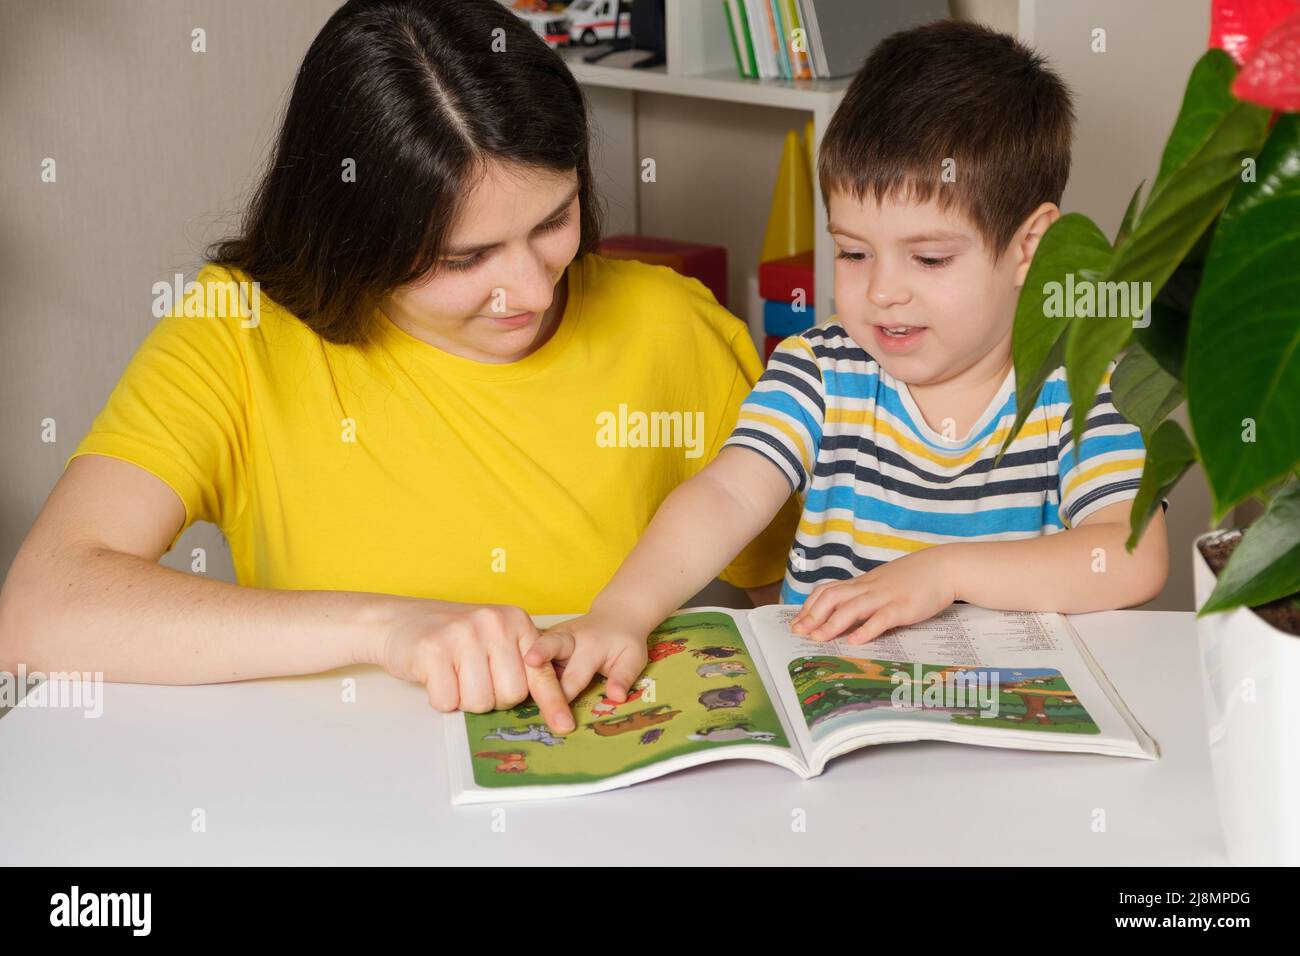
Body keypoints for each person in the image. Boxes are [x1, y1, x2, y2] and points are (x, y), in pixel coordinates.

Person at [0, 0, 798, 734]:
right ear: (355, 237)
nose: (530, 288)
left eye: (553, 220)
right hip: (339, 807)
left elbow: (798, 608)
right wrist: (387, 627)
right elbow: (38, 612)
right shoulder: (240, 331)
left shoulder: (672, 326)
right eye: (464, 259)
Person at [531, 20, 1169, 707]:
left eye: (928, 258)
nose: (882, 290)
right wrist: (622, 610)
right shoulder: (820, 370)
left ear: (1029, 247)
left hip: (1008, 717)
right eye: (855, 252)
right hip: (841, 713)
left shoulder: (1086, 378)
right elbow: (727, 495)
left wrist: (941, 573)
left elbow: (1129, 554)